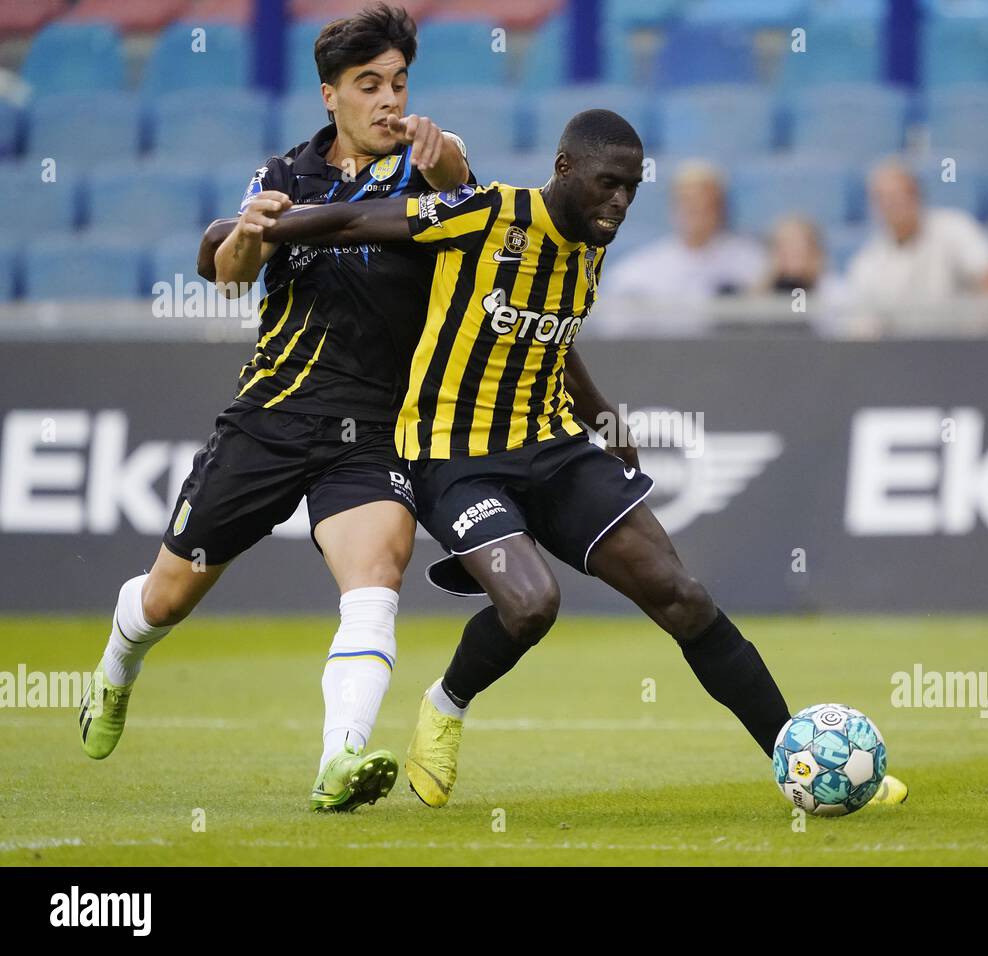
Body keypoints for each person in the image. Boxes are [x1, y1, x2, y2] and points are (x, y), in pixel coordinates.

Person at [235, 108, 911, 810]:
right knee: (531, 605)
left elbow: (554, 339)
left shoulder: (589, 243)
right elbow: (354, 222)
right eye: (607, 185)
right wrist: (254, 227)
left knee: (684, 598)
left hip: (553, 448)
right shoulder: (487, 214)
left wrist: (603, 415)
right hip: (452, 455)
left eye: (631, 191)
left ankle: (800, 759)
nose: (619, 204)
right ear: (565, 170)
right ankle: (446, 703)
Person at [77, 4, 471, 813]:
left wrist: (445, 160)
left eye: (398, 82)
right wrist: (252, 234)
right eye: (369, 86)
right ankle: (118, 666)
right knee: (166, 599)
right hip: (270, 418)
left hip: (370, 429)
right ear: (330, 95)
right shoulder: (286, 175)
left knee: (376, 576)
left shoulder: (423, 166)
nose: (388, 100)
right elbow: (229, 274)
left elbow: (459, 184)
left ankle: (340, 762)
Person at [599, 160, 765, 334]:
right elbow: (615, 330)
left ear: (721, 209)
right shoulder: (638, 270)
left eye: (706, 205)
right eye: (689, 204)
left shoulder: (752, 263)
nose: (697, 213)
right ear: (674, 208)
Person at [844, 159, 988, 332]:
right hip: (906, 353)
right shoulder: (867, 262)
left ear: (916, 195)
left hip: (966, 346)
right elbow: (864, 329)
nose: (892, 205)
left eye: (899, 196)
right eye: (883, 199)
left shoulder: (954, 227)